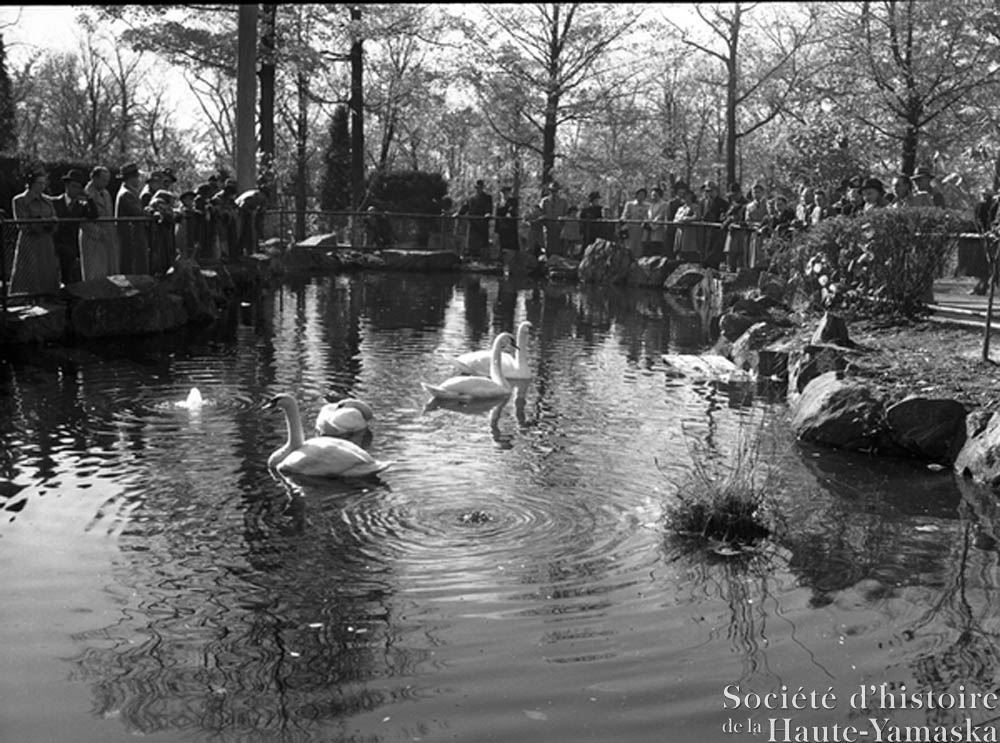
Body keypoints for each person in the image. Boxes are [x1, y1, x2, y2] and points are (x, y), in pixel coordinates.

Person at [9, 170, 59, 296]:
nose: (42, 186)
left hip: (46, 242)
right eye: (39, 183)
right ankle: (25, 296)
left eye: (44, 183)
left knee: (47, 269)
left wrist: (48, 223)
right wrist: (41, 223)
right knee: (29, 270)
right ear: (31, 184)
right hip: (30, 242)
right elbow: (23, 223)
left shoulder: (48, 200)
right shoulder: (19, 200)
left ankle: (48, 295)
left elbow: (54, 220)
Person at [49, 168, 98, 285]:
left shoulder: (81, 206)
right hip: (55, 242)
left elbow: (93, 215)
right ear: (66, 186)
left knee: (70, 273)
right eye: (73, 186)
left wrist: (89, 198)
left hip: (71, 244)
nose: (75, 190)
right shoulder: (54, 202)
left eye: (78, 187)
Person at [81, 166, 119, 278]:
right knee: (94, 272)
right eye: (103, 180)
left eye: (107, 180)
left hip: (107, 237)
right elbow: (83, 220)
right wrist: (99, 233)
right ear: (94, 178)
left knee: (108, 271)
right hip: (92, 238)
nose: (106, 183)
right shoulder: (85, 194)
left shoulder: (106, 193)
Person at [116, 162, 149, 274]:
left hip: (134, 235)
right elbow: (137, 213)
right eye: (137, 177)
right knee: (133, 264)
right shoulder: (126, 194)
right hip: (130, 236)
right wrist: (149, 212)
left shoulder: (131, 192)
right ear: (131, 178)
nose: (139, 180)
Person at [458, 179, 493, 258]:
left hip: (482, 224)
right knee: (471, 243)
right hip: (473, 224)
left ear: (482, 188)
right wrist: (459, 213)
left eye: (480, 188)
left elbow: (489, 208)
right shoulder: (471, 198)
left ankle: (483, 259)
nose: (478, 189)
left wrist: (488, 213)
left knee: (483, 244)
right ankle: (471, 257)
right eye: (477, 188)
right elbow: (465, 207)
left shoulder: (487, 197)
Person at [146, 189, 176, 275]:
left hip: (165, 235)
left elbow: (170, 217)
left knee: (165, 255)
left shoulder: (168, 209)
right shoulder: (156, 205)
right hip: (157, 235)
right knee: (159, 256)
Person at [235, 185, 269, 256]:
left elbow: (262, 210)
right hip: (240, 213)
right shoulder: (255, 196)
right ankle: (242, 251)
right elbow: (242, 206)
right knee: (244, 232)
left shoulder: (257, 195)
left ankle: (249, 250)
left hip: (245, 213)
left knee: (249, 233)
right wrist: (251, 212)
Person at [540, 180, 569, 257]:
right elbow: (540, 214)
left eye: (555, 191)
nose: (554, 193)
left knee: (559, 248)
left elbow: (567, 215)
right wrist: (545, 222)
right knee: (548, 248)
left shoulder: (563, 202)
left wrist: (562, 220)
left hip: (559, 229)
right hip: (548, 229)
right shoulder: (544, 201)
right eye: (552, 191)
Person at [671, 187, 702, 260]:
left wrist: (688, 219)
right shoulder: (681, 208)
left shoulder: (695, 207)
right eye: (685, 197)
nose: (686, 198)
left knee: (689, 250)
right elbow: (675, 218)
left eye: (688, 197)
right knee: (679, 249)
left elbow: (697, 216)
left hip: (690, 232)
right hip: (680, 231)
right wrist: (678, 221)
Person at [619, 186, 649, 258]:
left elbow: (648, 217)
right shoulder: (630, 204)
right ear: (636, 195)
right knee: (629, 247)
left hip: (641, 229)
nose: (641, 196)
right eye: (640, 194)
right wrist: (623, 219)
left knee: (639, 248)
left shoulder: (647, 206)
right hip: (630, 228)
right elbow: (624, 215)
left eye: (643, 195)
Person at [494, 185, 519, 258]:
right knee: (502, 247)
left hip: (511, 228)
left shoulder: (513, 201)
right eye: (503, 192)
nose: (505, 194)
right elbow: (497, 217)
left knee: (511, 248)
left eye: (506, 192)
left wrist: (509, 211)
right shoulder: (499, 204)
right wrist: (496, 229)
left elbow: (512, 210)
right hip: (502, 228)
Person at [646, 186, 669, 255]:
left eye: (655, 195)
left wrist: (654, 225)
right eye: (652, 195)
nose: (653, 197)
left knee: (657, 247)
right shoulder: (651, 205)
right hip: (650, 230)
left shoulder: (664, 204)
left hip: (659, 229)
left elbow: (661, 215)